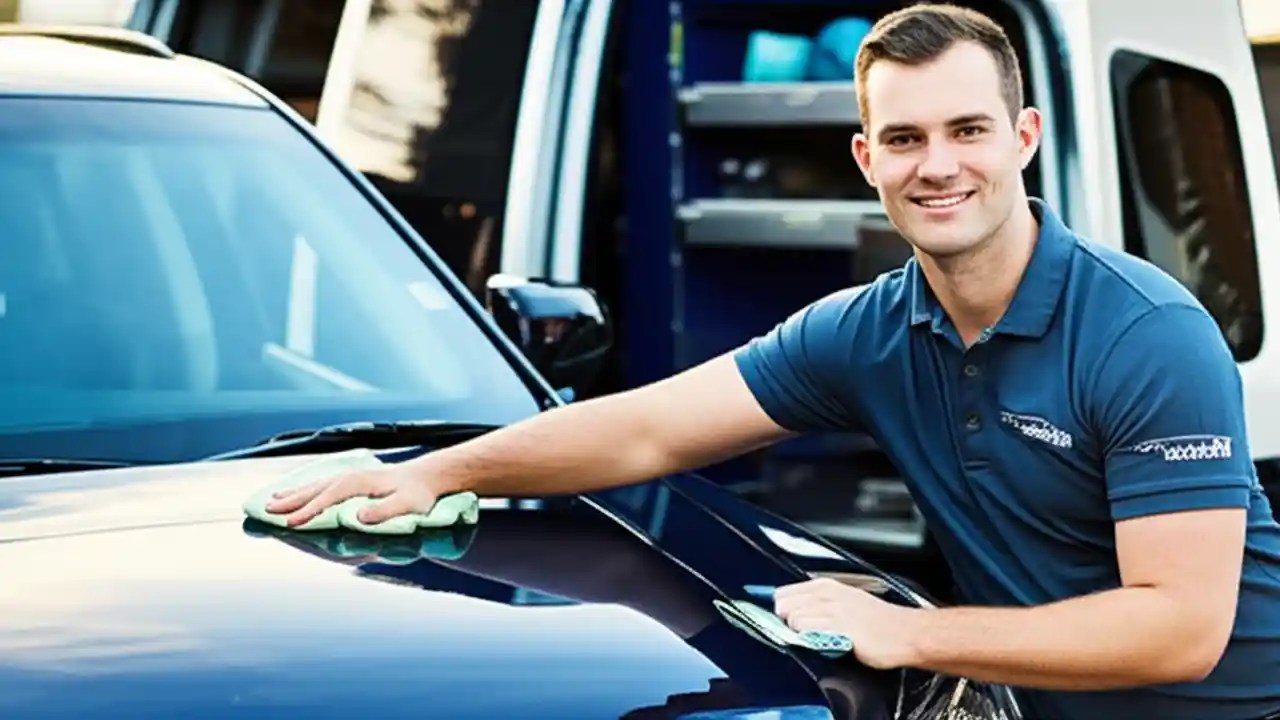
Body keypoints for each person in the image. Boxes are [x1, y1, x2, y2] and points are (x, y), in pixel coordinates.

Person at [267, 4, 1280, 718]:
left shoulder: (1145, 331)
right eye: (904, 136)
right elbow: (647, 426)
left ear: (1021, 137)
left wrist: (910, 632)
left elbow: (1176, 634)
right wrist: (430, 474)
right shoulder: (866, 331)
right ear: (864, 157)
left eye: (967, 130)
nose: (936, 165)